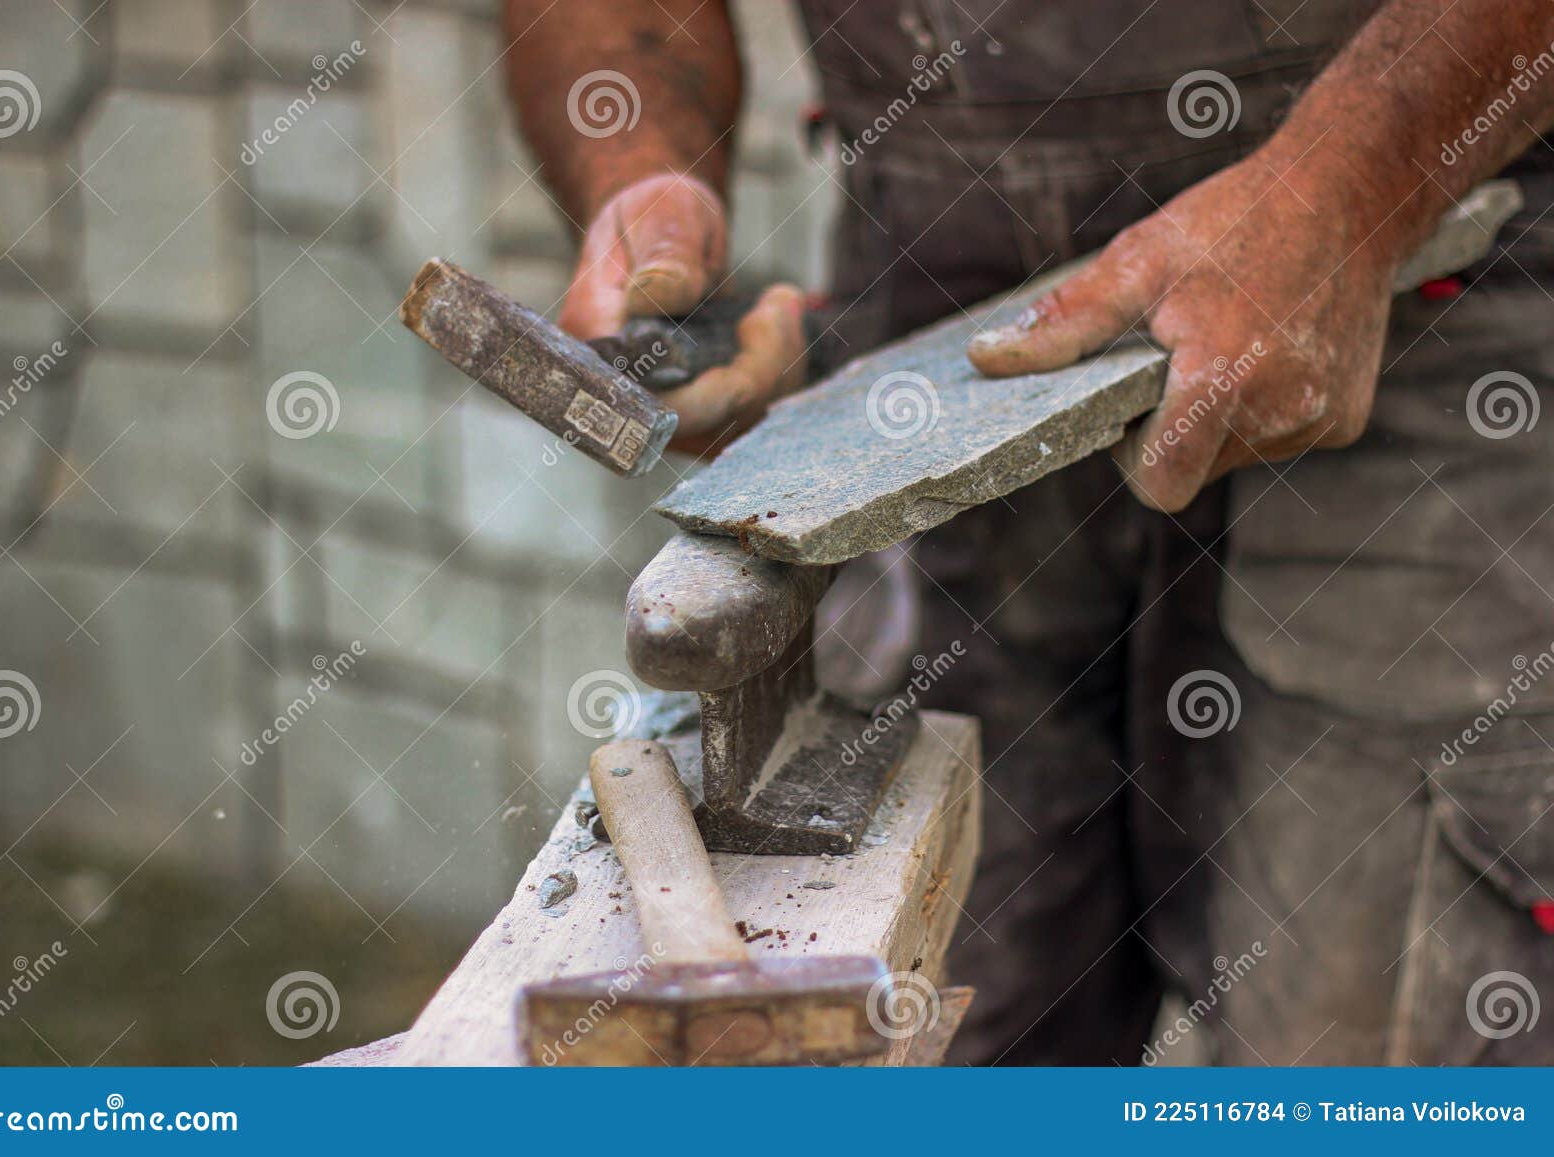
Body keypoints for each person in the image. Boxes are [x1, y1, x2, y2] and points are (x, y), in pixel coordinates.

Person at [505, 0, 1554, 1065]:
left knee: (1360, 1023)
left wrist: (1352, 181)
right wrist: (642, 172)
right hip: (942, 324)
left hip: (1429, 247)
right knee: (955, 1010)